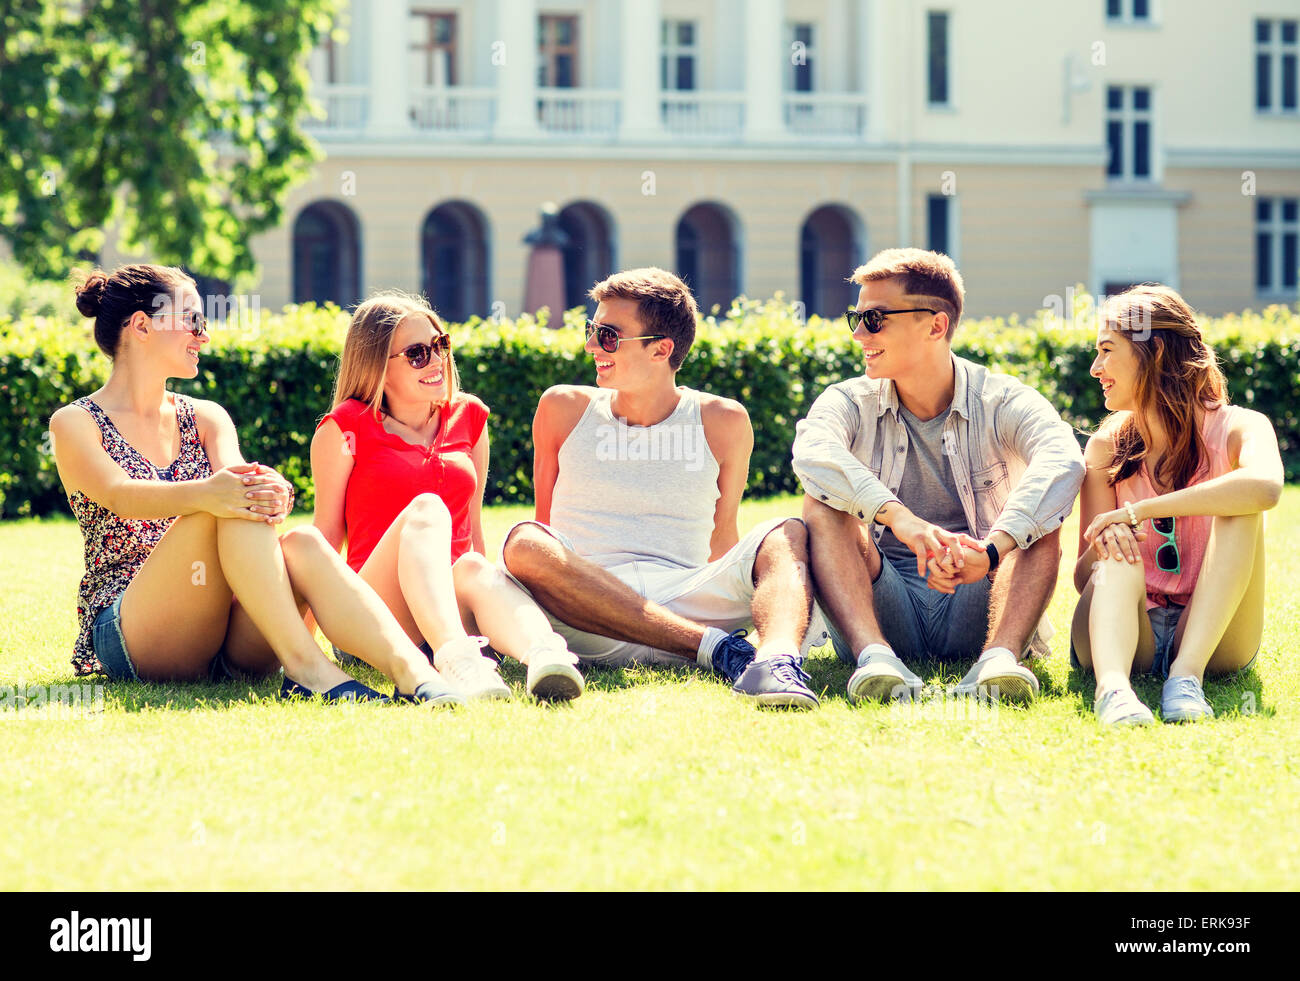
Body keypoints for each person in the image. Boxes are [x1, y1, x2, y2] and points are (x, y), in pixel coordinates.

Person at [49, 263, 454, 705]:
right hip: (134, 631)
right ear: (143, 326)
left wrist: (269, 492)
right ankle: (308, 669)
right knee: (220, 503)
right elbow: (119, 494)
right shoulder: (74, 423)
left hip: (229, 631)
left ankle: (414, 673)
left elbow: (238, 482)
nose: (204, 336)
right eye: (193, 321)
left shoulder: (206, 416)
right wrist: (212, 494)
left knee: (299, 540)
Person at [500, 267, 822, 708]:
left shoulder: (723, 420)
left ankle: (775, 661)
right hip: (585, 615)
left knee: (788, 533)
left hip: (685, 598)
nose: (593, 345)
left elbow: (721, 537)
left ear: (662, 349)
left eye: (609, 335)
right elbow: (544, 528)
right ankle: (717, 650)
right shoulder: (562, 408)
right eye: (592, 330)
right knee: (524, 542)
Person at [794, 248, 1085, 703]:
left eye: (874, 319)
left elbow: (1063, 460)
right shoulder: (849, 400)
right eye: (857, 317)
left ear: (935, 324)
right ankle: (875, 660)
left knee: (1039, 520)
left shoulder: (1002, 399)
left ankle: (998, 663)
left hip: (983, 599)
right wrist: (901, 520)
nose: (858, 335)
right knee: (821, 502)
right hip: (880, 601)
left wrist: (992, 550)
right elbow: (813, 452)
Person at [310, 292, 583, 701]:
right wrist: (305, 641)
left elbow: (472, 528)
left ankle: (544, 655)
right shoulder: (345, 427)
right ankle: (456, 657)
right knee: (427, 509)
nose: (436, 360)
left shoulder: (469, 416)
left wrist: (491, 604)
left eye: (440, 345)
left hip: (450, 605)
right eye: (418, 353)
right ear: (378, 368)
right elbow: (326, 537)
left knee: (473, 564)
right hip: (375, 614)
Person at [1070, 284, 1280, 725]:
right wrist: (1110, 537)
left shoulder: (1241, 426)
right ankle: (1114, 692)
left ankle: (1185, 678)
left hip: (1215, 636)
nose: (1095, 368)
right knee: (1115, 541)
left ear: (1156, 352)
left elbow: (1265, 488)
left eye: (1107, 350)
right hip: (1130, 632)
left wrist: (1139, 511)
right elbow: (1082, 575)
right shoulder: (1107, 447)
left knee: (1239, 506)